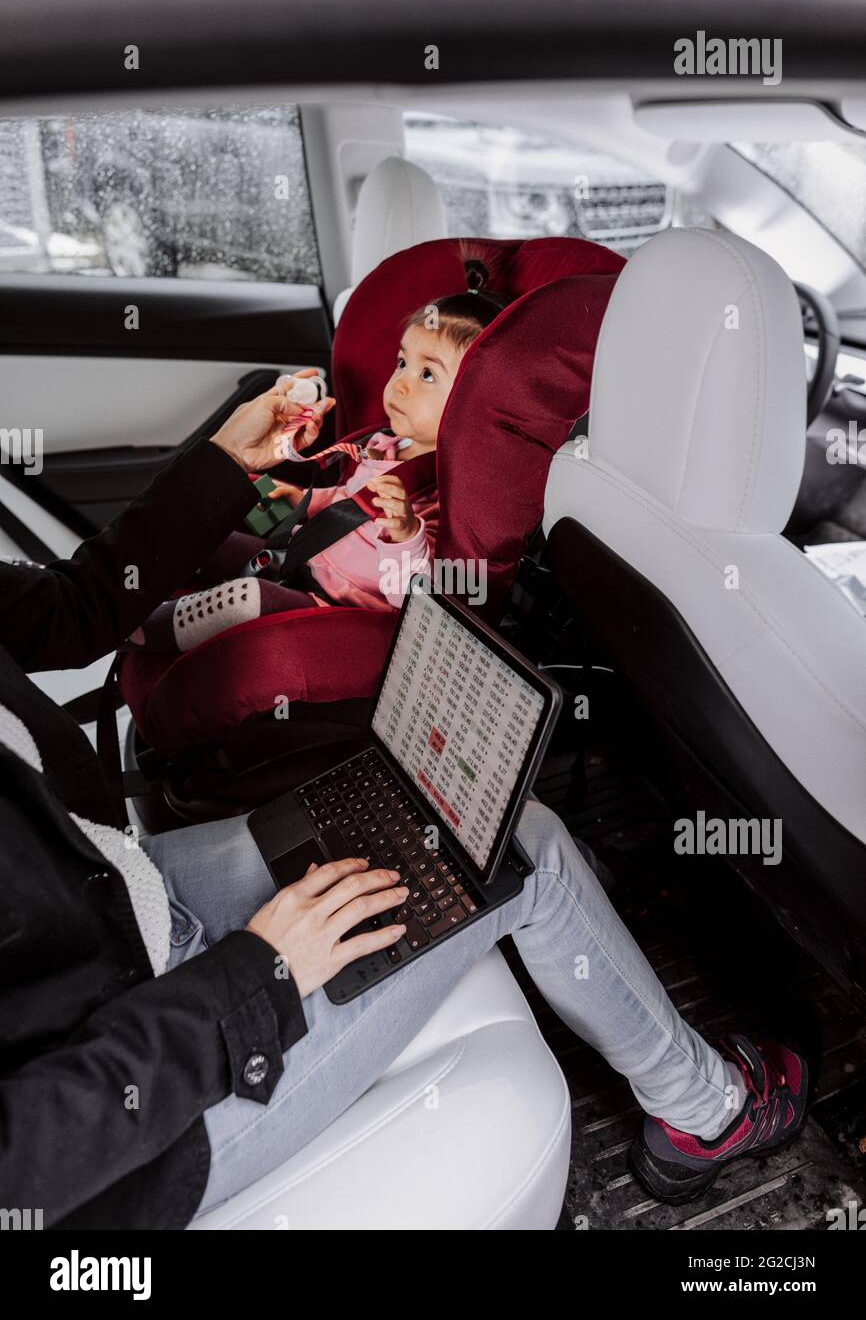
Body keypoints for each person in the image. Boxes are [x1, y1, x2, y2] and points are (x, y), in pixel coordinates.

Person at [0, 386, 807, 1232]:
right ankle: (708, 1113)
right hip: (133, 1137)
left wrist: (227, 464)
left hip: (110, 899)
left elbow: (66, 611)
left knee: (448, 814)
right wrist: (257, 974)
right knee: (517, 854)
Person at [122, 265, 507, 654]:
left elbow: (412, 598)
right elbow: (350, 499)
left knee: (249, 598)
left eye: (427, 375)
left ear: (475, 402)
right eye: (402, 363)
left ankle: (148, 633)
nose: (400, 383)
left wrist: (405, 534)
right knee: (210, 535)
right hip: (306, 556)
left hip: (341, 607)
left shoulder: (451, 492)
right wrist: (306, 501)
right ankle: (126, 600)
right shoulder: (387, 445)